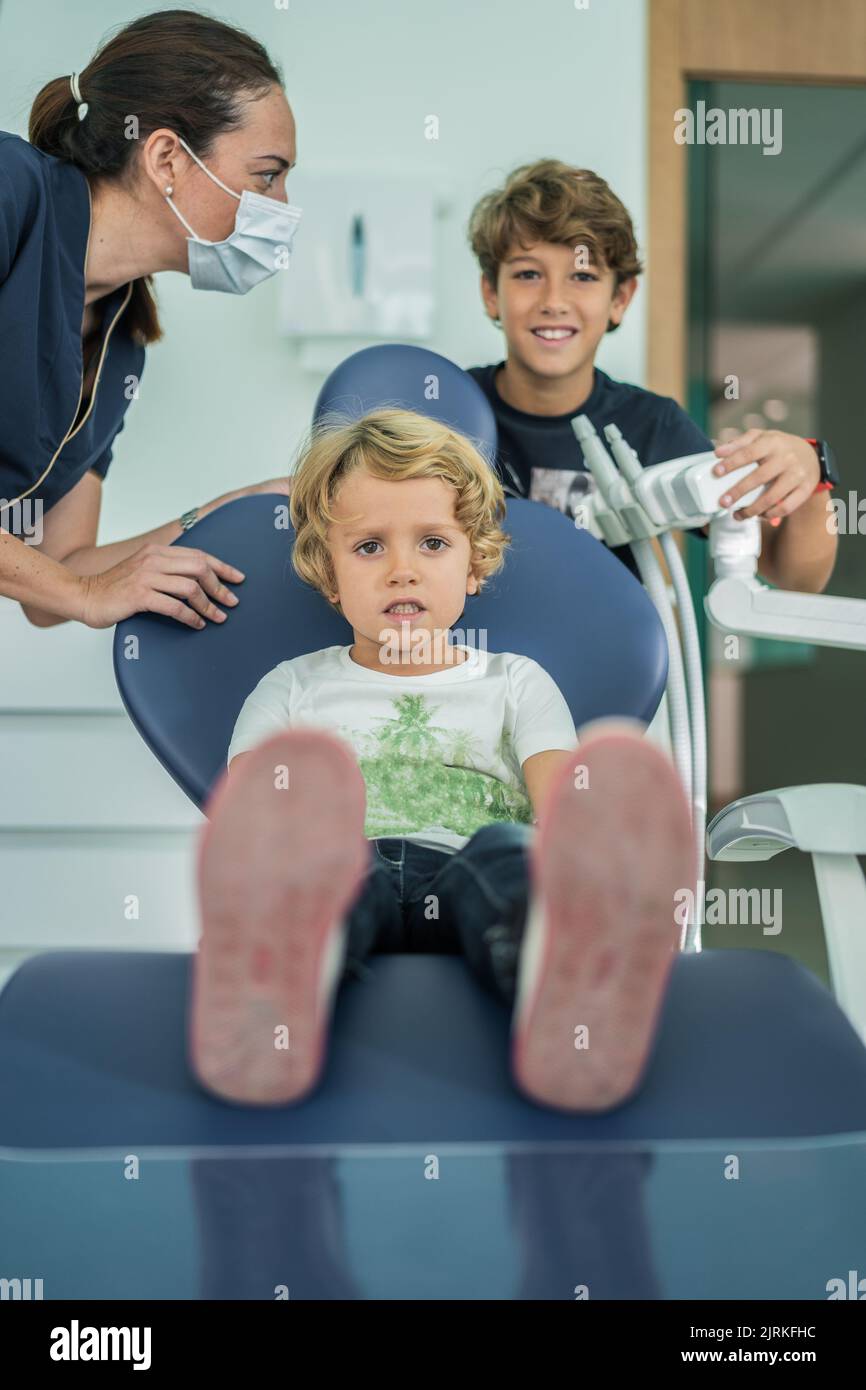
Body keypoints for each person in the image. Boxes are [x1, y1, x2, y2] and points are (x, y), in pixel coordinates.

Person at [187, 408, 695, 1112]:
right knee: (320, 875)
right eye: (368, 548)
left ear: (475, 563)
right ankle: (276, 991)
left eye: (431, 543)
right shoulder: (291, 686)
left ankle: (570, 987)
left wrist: (600, 859)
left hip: (469, 880)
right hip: (342, 874)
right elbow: (251, 821)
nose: (401, 569)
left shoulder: (516, 681)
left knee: (506, 857)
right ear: (328, 575)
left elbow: (562, 814)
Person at [0, 9, 298, 633]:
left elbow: (56, 574)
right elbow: (74, 591)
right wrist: (80, 594)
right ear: (167, 159)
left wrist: (229, 511)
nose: (283, 208)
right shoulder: (12, 193)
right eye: (267, 175)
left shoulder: (120, 349)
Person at [466, 158, 838, 595]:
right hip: (470, 661)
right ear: (492, 292)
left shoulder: (652, 427)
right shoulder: (444, 411)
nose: (555, 300)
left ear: (620, 298)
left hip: (607, 660)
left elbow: (794, 575)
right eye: (528, 274)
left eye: (582, 276)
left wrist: (814, 474)